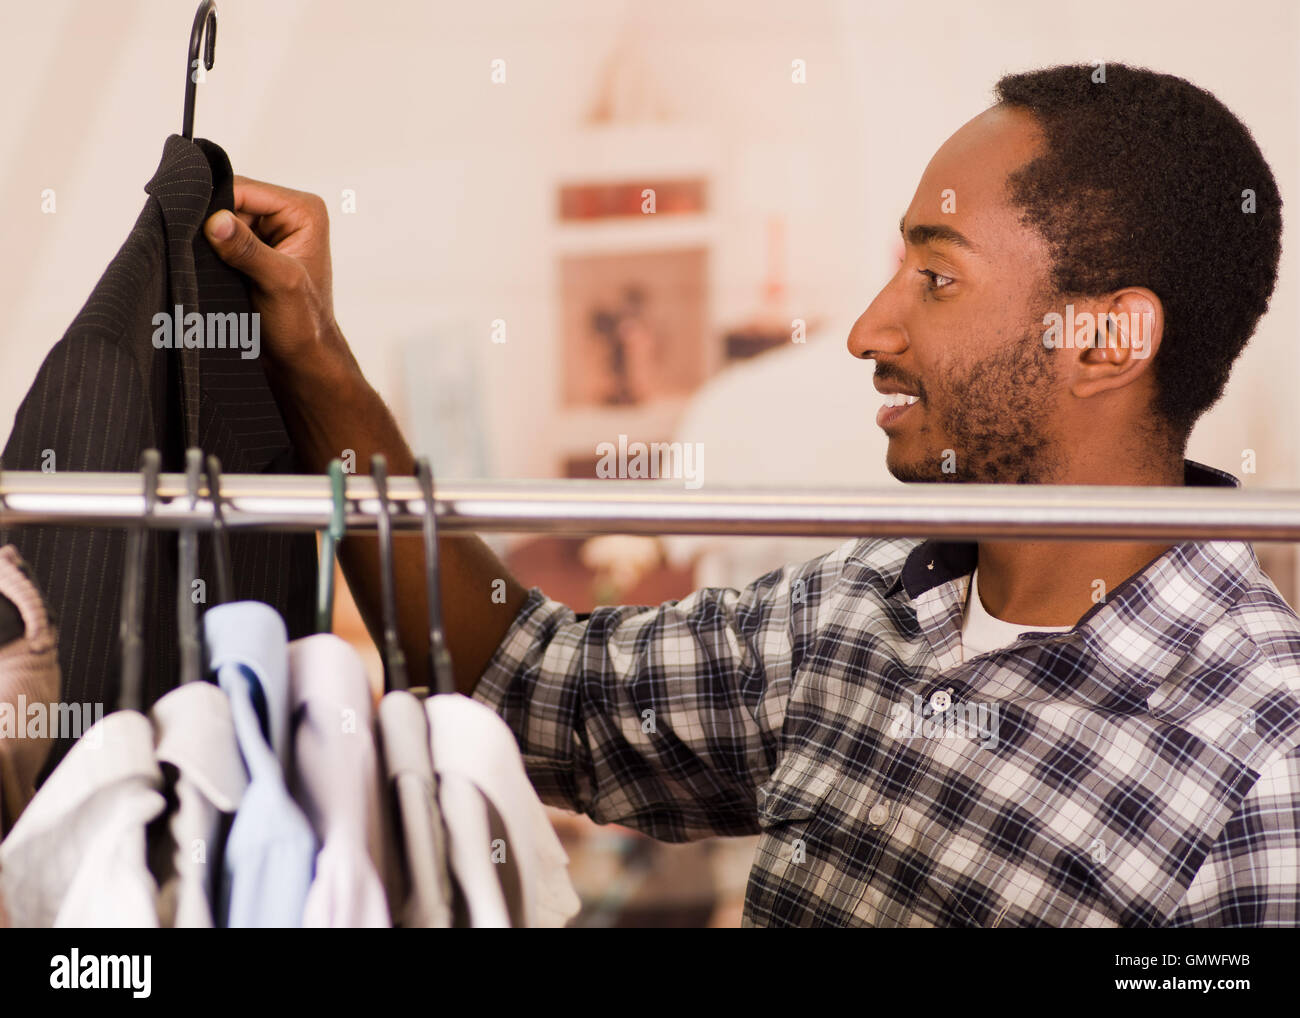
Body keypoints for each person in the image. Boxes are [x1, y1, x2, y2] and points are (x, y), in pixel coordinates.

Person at [201, 63, 1298, 927]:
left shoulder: (1264, 773)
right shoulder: (853, 610)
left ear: (1105, 337)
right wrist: (315, 359)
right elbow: (530, 686)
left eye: (936, 275)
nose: (870, 330)